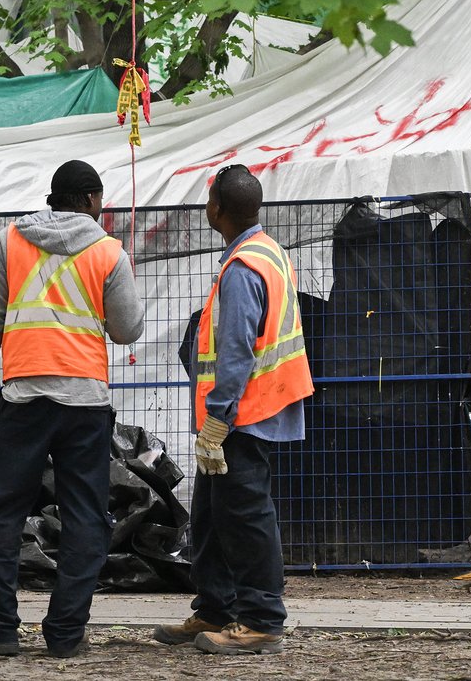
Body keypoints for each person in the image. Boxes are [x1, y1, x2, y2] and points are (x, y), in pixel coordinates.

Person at [0, 159, 144, 659]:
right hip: (84, 405)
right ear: (92, 200)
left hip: (23, 399)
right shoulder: (107, 252)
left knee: (1, 512)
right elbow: (128, 330)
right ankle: (66, 633)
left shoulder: (10, 242)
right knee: (84, 518)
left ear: (53, 197)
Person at [154, 164, 313, 655]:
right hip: (250, 410)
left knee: (244, 516)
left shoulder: (244, 267)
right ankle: (214, 609)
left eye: (208, 200)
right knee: (211, 514)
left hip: (242, 415)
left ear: (217, 208)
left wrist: (218, 420)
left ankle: (262, 620)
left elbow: (238, 350)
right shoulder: (267, 253)